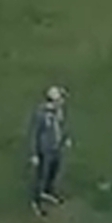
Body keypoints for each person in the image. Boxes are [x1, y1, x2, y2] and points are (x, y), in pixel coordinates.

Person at [27, 86, 70, 216]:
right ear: (53, 100)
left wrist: (65, 138)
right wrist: (34, 153)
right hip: (44, 150)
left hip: (56, 147)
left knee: (54, 171)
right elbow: (34, 134)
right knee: (41, 175)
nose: (62, 101)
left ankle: (48, 191)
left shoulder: (59, 111)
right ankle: (36, 201)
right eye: (60, 99)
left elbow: (61, 126)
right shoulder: (41, 114)